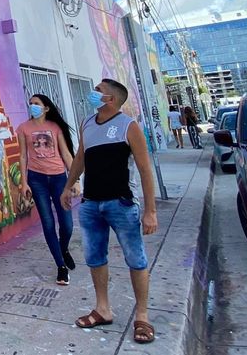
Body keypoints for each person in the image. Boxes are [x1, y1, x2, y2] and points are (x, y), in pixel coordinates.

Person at [62, 78, 158, 345]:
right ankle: (103, 308)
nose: (94, 94)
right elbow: (81, 157)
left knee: (135, 259)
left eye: (98, 91)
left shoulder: (128, 126)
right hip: (91, 204)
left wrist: (150, 210)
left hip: (122, 204)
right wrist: (68, 186)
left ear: (111, 99)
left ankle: (142, 315)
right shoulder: (87, 124)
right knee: (95, 258)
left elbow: (144, 169)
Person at [16, 94, 78, 285]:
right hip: (37, 180)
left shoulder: (55, 127)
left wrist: (75, 180)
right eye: (31, 104)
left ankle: (63, 248)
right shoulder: (23, 128)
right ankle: (61, 266)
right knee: (48, 224)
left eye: (36, 104)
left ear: (46, 108)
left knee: (67, 225)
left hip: (59, 178)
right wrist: (24, 182)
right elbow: (23, 156)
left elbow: (66, 154)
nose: (32, 107)